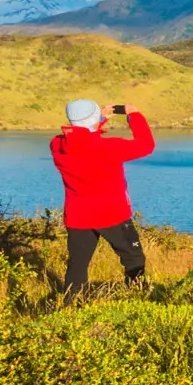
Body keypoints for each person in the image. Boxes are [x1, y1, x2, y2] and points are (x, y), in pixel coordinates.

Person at [50, 99, 155, 296]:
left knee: (77, 266)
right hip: (113, 215)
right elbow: (146, 145)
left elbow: (80, 138)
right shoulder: (110, 147)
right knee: (134, 259)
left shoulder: (57, 146)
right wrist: (134, 114)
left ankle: (72, 309)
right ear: (93, 119)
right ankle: (137, 297)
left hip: (78, 217)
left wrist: (98, 120)